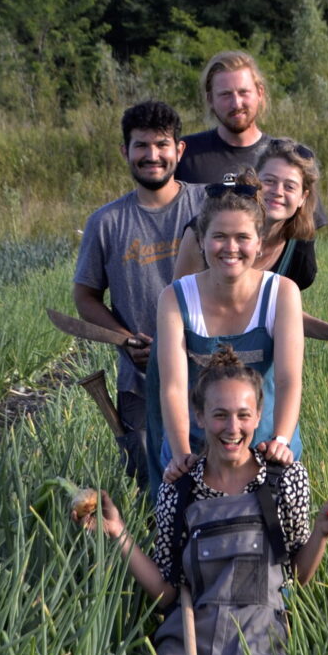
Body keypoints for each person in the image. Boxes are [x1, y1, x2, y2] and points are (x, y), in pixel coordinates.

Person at [73, 347, 328, 655]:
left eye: (244, 415)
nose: (233, 428)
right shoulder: (181, 488)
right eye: (220, 415)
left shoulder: (284, 479)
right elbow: (167, 592)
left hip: (259, 646)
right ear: (198, 416)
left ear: (260, 415)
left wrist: (321, 530)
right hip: (187, 642)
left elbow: (297, 576)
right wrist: (118, 532)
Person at [73, 100, 205, 491]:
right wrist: (126, 341)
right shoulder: (106, 223)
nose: (152, 156)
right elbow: (85, 296)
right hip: (140, 380)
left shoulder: (208, 205)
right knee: (153, 485)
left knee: (216, 477)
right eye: (141, 146)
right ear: (125, 152)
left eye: (162, 145)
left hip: (209, 371)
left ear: (179, 150)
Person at [155, 177, 303, 482]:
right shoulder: (175, 297)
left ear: (259, 243)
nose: (231, 248)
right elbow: (173, 386)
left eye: (242, 237)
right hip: (196, 444)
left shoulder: (282, 293)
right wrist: (183, 454)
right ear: (201, 241)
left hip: (264, 443)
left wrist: (281, 441)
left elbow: (289, 380)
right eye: (219, 236)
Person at [174, 137, 328, 343]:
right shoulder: (204, 232)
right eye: (269, 181)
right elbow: (179, 308)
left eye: (289, 187)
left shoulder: (298, 251)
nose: (278, 192)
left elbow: (280, 311)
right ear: (254, 182)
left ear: (302, 198)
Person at [174, 51, 327, 229]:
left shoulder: (287, 158)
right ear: (210, 99)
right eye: (225, 94)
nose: (236, 103)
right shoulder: (184, 154)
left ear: (259, 93)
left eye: (243, 92)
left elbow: (305, 230)